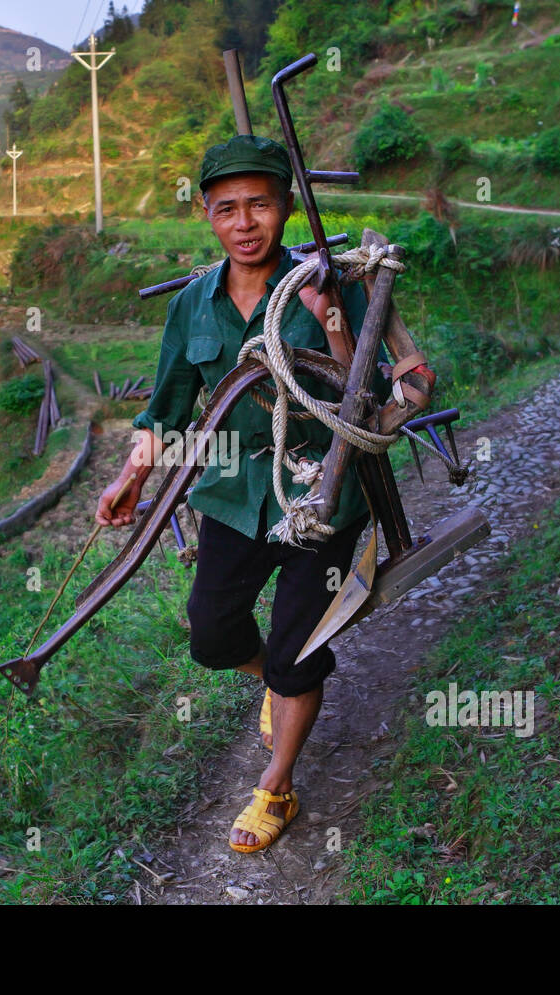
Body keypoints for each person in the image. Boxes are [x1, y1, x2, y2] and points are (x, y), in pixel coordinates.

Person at [95, 134, 389, 853]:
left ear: (286, 207)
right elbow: (166, 406)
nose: (245, 222)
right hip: (230, 489)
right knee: (213, 633)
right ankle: (277, 679)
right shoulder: (194, 303)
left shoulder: (326, 285)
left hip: (319, 497)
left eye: (260, 204)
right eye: (228, 208)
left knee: (296, 652)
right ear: (207, 215)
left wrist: (329, 321)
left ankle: (278, 783)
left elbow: (373, 393)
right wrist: (133, 473)